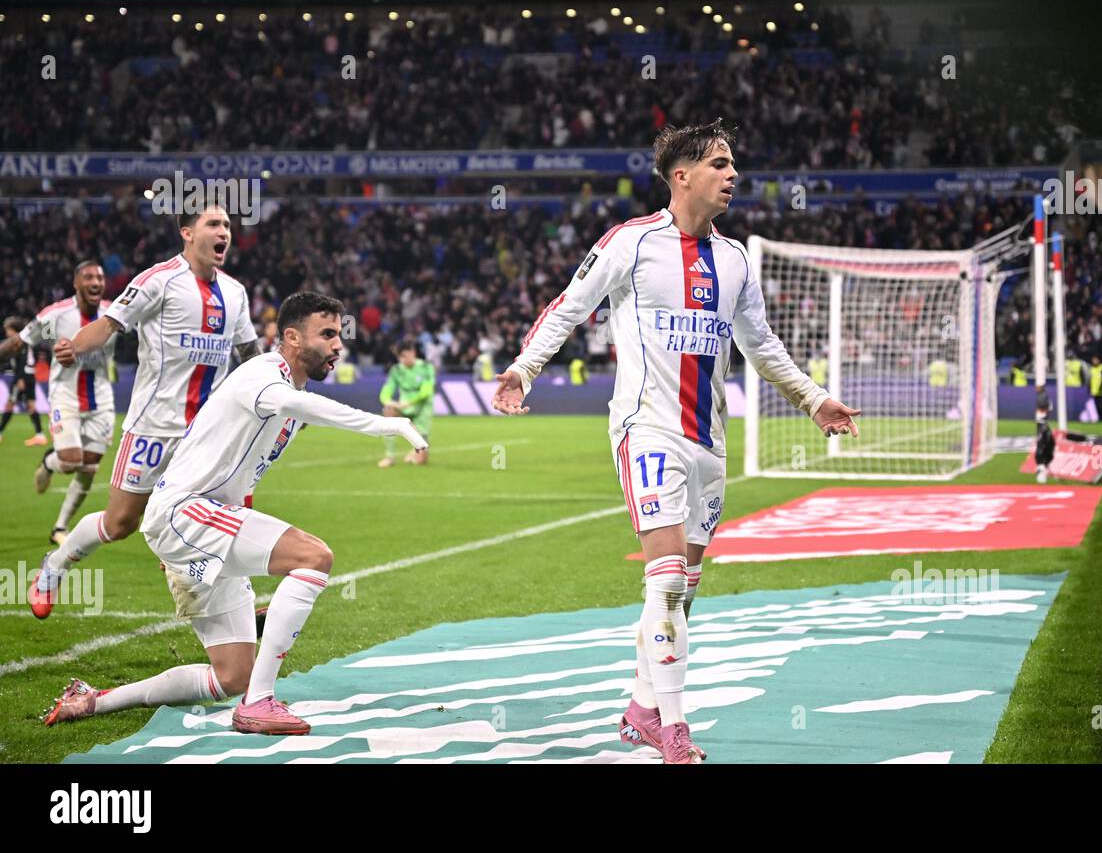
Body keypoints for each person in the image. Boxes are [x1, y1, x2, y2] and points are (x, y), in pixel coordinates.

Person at [492, 119, 861, 763]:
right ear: (681, 175)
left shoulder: (736, 258)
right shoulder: (631, 243)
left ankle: (640, 709)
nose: (732, 174)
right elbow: (570, 306)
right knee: (663, 581)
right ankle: (675, 729)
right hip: (648, 430)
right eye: (719, 164)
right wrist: (524, 370)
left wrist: (812, 398)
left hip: (709, 441)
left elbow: (760, 343)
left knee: (684, 589)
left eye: (732, 164)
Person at [42, 292, 427, 734]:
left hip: (197, 524)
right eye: (327, 334)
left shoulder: (289, 387)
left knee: (231, 675)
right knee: (313, 557)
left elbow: (247, 462)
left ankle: (93, 701)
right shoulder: (264, 374)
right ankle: (259, 703)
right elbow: (293, 406)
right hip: (185, 512)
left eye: (339, 334)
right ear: (291, 337)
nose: (338, 344)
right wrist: (385, 423)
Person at [28, 204, 261, 619]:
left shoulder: (236, 293)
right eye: (213, 224)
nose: (224, 231)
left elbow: (248, 353)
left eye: (227, 224)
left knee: (232, 515)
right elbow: (111, 324)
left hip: (207, 434)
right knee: (120, 524)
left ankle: (237, 607)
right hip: (153, 430)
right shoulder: (159, 281)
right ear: (187, 232)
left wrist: (271, 388)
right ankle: (54, 567)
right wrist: (75, 346)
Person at [0, 262, 117, 545]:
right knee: (70, 461)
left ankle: (59, 527)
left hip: (101, 397)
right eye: (88, 277)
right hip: (65, 394)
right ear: (76, 283)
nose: (95, 282)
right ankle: (49, 463)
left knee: (89, 470)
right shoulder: (56, 315)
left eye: (100, 277)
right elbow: (20, 341)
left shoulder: (115, 313)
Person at [378, 339, 435, 467]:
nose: (402, 359)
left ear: (413, 352)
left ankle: (416, 453)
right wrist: (389, 401)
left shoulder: (426, 367)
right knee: (388, 411)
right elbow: (387, 389)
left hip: (422, 409)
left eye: (404, 355)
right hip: (404, 408)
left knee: (420, 462)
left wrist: (408, 403)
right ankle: (389, 456)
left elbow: (426, 391)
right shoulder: (396, 370)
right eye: (400, 357)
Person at [0, 315, 47, 446]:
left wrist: (20, 379)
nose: (6, 332)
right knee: (30, 405)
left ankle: (0, 433)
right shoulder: (28, 339)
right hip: (29, 375)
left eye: (8, 329)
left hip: (23, 376)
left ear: (14, 330)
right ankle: (40, 435)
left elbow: (23, 360)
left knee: (10, 404)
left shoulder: (18, 341)